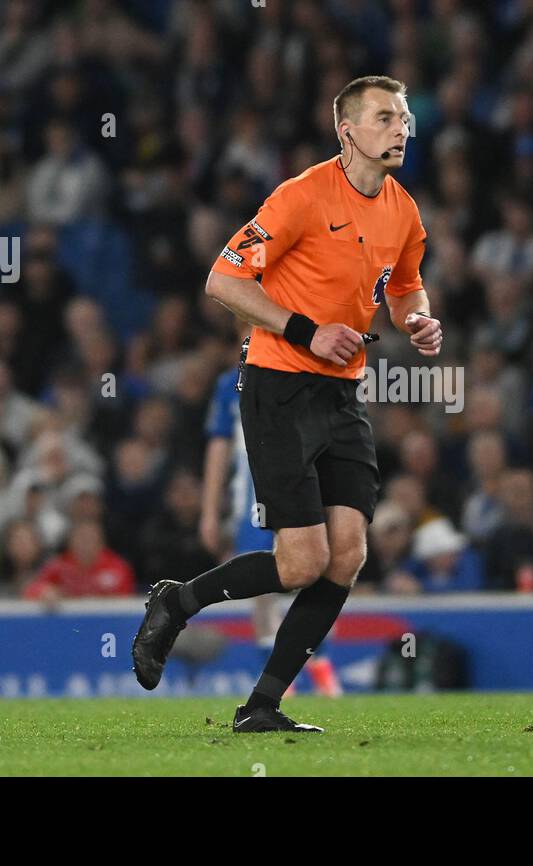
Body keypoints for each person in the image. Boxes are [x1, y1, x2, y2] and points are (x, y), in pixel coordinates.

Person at [131, 75, 441, 733]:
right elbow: (223, 279)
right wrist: (304, 329)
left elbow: (407, 288)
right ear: (347, 130)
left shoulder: (403, 210)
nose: (400, 129)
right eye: (385, 117)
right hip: (278, 386)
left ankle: (262, 706)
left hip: (342, 392)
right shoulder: (301, 197)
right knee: (302, 562)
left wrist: (418, 319)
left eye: (405, 118)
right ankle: (178, 602)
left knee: (348, 554)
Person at [200, 349, 342, 697]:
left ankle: (319, 663)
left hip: (305, 478)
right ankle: (279, 676)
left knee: (316, 568)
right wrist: (209, 509)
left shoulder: (309, 367)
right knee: (264, 580)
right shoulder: (229, 382)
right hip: (251, 489)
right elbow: (219, 446)